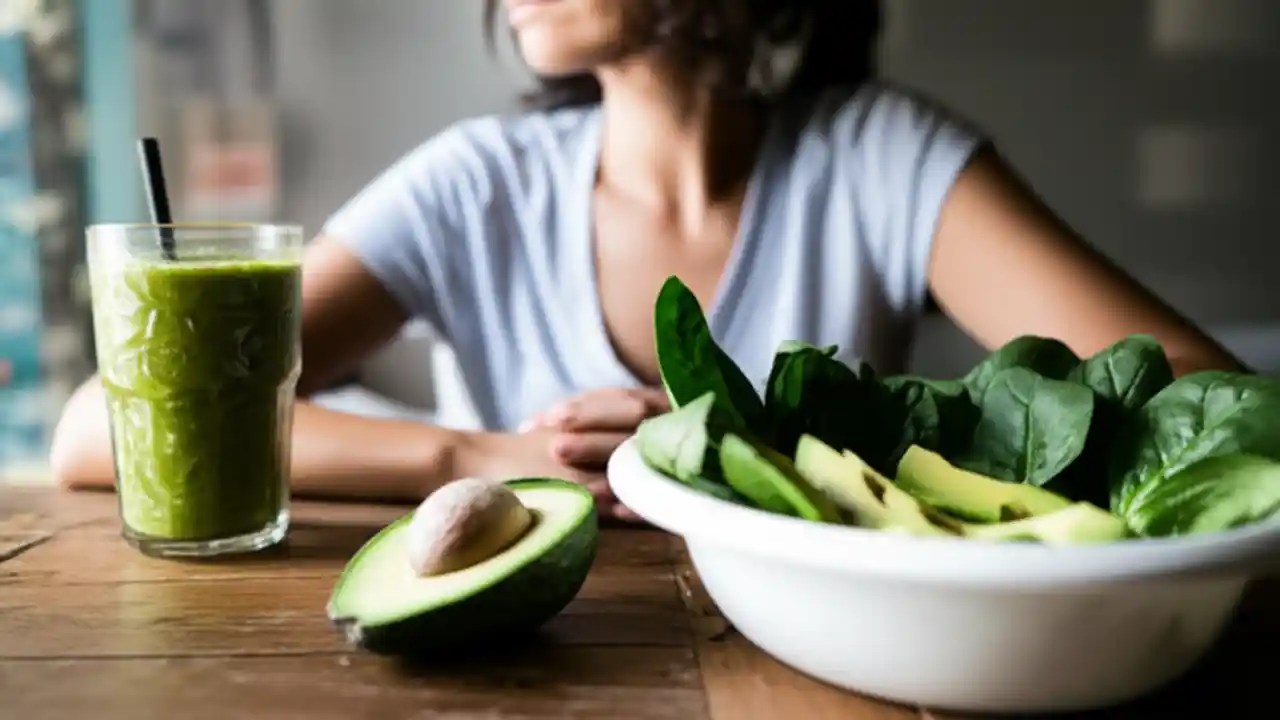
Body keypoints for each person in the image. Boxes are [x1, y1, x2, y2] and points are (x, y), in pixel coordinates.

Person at [51, 0, 1242, 520]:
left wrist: (779, 456)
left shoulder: (882, 156)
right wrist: (489, 454)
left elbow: (1197, 391)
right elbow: (97, 429)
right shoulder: (477, 184)